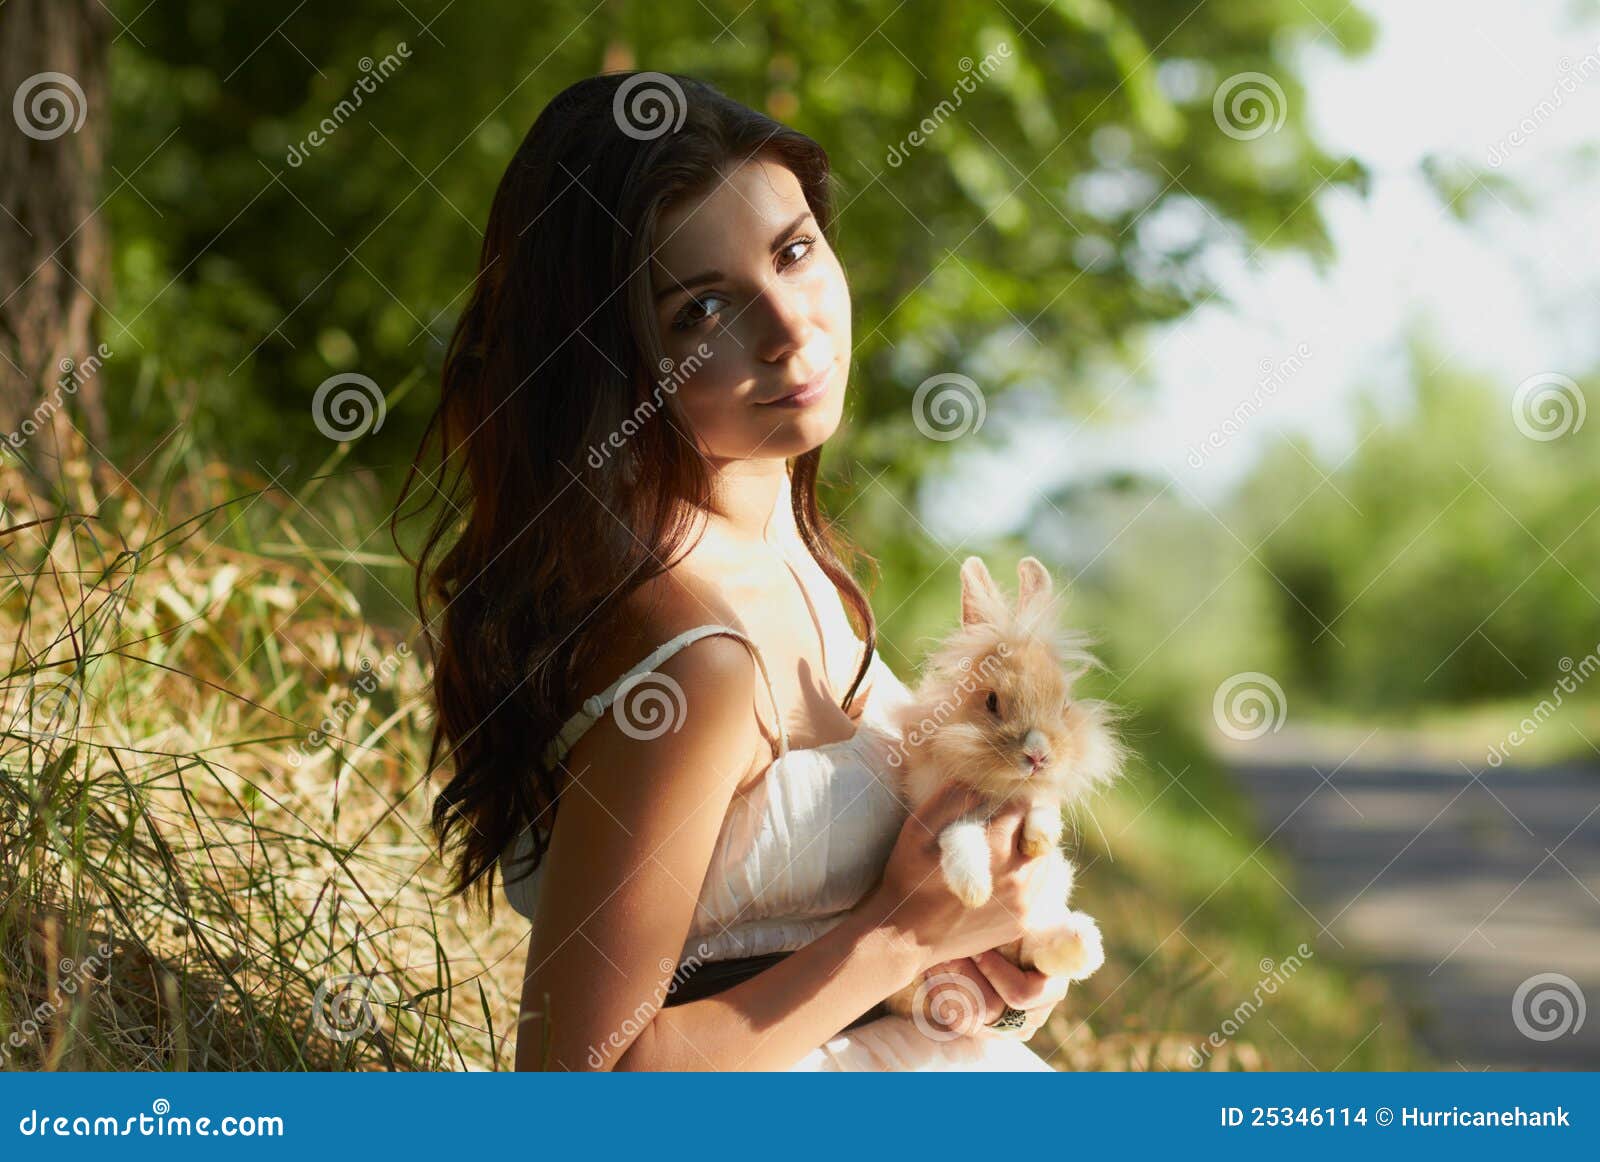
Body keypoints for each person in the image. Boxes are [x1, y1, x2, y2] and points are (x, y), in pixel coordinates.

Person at [399, 71, 1070, 1071]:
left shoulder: (794, 555)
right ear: (611, 361)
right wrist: (906, 930)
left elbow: (807, 963)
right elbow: (579, 1085)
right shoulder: (694, 655)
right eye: (702, 309)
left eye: (794, 251)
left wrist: (994, 966)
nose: (789, 327)